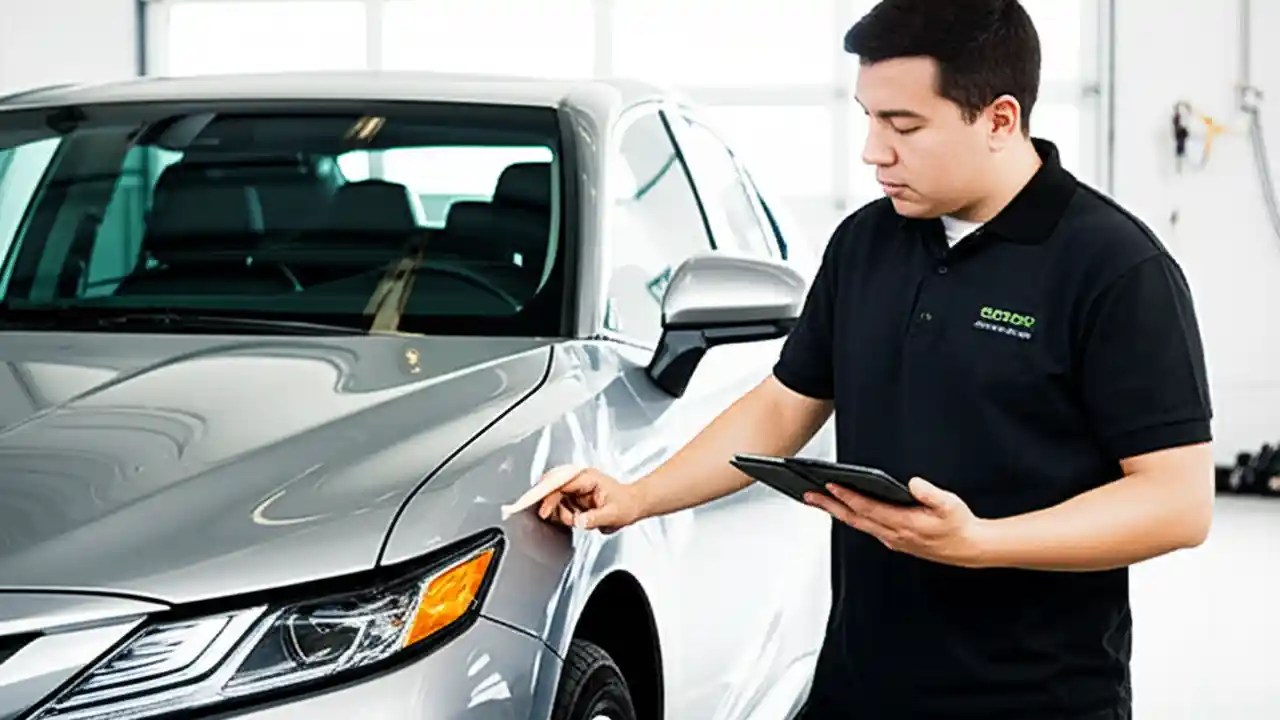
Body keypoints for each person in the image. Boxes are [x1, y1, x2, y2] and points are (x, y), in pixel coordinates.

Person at [537, 0, 1215, 717]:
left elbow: (1176, 501)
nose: (872, 150)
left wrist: (981, 543)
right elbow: (780, 406)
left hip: (1035, 697)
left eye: (904, 125)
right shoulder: (865, 243)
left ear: (999, 120)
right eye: (867, 116)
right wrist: (637, 496)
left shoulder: (1114, 268)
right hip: (857, 688)